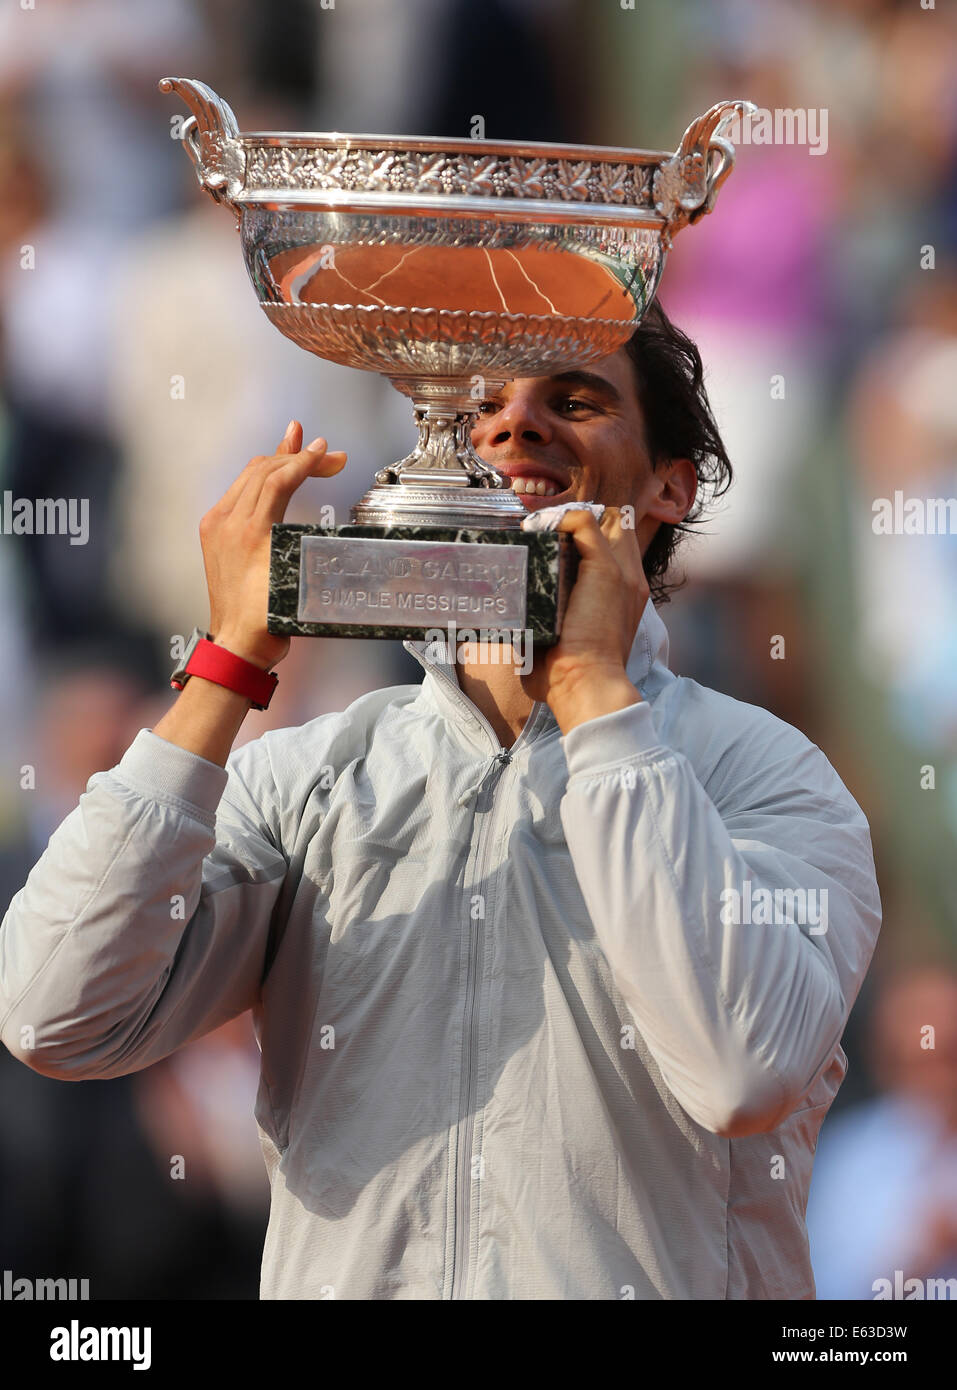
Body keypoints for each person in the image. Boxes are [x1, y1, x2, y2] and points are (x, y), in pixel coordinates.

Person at [0, 302, 881, 1300]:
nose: (512, 427)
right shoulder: (310, 777)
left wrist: (594, 692)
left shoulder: (767, 778)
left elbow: (742, 1070)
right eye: (481, 408)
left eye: (576, 400)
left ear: (670, 484)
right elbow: (53, 1010)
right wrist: (226, 666)